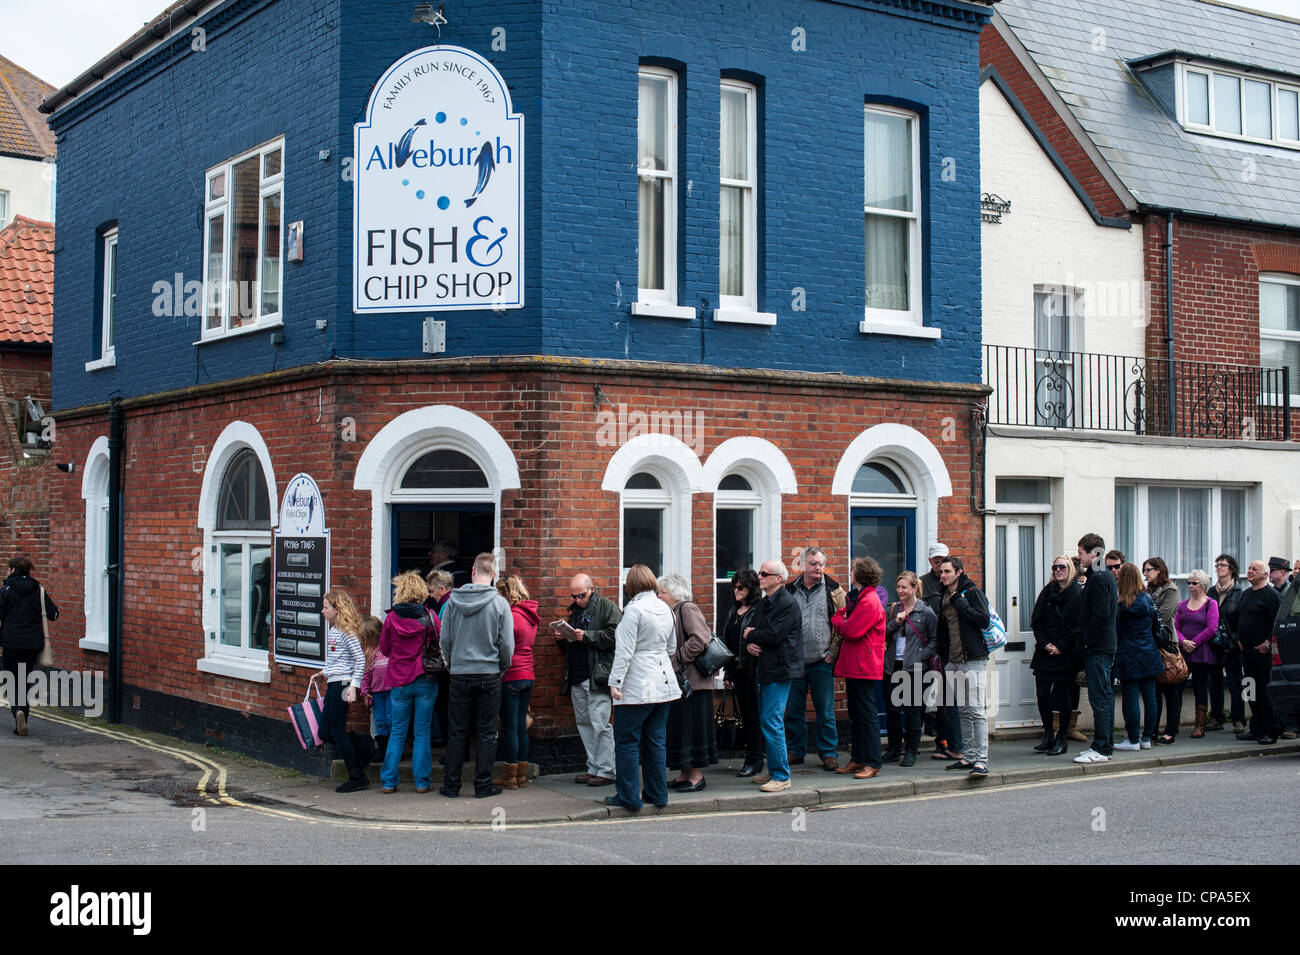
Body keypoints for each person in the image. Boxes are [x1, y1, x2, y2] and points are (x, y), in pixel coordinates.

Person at [438, 552, 514, 799]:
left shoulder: (451, 602)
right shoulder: (500, 603)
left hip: (460, 673)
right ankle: (483, 785)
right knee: (486, 733)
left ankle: (451, 786)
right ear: (493, 576)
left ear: (472, 571)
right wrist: (501, 667)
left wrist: (452, 664)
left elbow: (445, 640)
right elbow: (507, 645)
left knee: (457, 732)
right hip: (489, 673)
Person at [606, 564, 681, 811]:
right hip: (664, 683)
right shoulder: (666, 609)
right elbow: (671, 648)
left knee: (627, 741)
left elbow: (624, 652)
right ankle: (657, 794)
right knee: (656, 741)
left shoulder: (633, 610)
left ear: (630, 586)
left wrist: (615, 683)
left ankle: (629, 797)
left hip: (637, 685)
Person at [743, 559, 804, 792]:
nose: (759, 577)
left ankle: (781, 776)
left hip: (780, 669)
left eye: (764, 574)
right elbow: (755, 634)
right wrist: (750, 642)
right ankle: (774, 769)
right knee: (767, 720)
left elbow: (774, 635)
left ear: (779, 578)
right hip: (765, 667)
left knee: (772, 720)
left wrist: (752, 636)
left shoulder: (787, 603)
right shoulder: (765, 603)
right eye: (760, 573)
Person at [783, 547, 846, 770]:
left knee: (826, 711)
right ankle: (795, 750)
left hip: (822, 662)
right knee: (793, 710)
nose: (817, 568)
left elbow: (842, 625)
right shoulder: (789, 590)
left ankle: (828, 753)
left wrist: (832, 653)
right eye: (813, 564)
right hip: (795, 662)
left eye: (820, 563)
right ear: (802, 565)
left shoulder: (834, 591)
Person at [379, 572, 441, 794]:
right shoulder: (431, 617)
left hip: (399, 680)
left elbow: (384, 650)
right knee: (422, 732)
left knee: (397, 731)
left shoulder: (391, 619)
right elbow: (441, 643)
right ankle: (422, 782)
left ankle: (388, 782)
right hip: (425, 678)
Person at [558, 573, 621, 786]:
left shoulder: (607, 607)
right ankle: (594, 767)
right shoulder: (575, 611)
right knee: (584, 723)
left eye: (581, 596)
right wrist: (563, 637)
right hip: (577, 676)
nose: (577, 600)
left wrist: (587, 636)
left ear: (591, 589)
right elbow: (575, 641)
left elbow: (615, 636)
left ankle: (607, 770)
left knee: (600, 723)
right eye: (574, 596)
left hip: (597, 675)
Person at [659, 574, 717, 792]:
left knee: (691, 728)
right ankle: (685, 774)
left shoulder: (686, 608)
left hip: (694, 683)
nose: (659, 596)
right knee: (681, 728)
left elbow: (701, 638)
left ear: (674, 593)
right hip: (683, 683)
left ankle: (696, 776)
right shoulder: (673, 611)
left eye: (662, 592)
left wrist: (677, 659)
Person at [936, 555, 992, 777]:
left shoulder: (971, 592)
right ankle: (968, 757)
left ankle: (982, 761)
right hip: (954, 660)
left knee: (977, 711)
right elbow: (946, 629)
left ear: (959, 572)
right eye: (941, 572)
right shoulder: (945, 594)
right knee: (963, 711)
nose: (943, 575)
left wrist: (960, 602)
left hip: (974, 659)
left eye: (947, 572)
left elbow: (983, 619)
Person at [829, 564, 886, 779]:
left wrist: (840, 621)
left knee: (867, 716)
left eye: (853, 570)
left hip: (864, 665)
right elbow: (841, 615)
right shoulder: (858, 598)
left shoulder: (869, 601)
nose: (850, 572)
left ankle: (872, 762)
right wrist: (841, 620)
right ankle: (858, 758)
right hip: (855, 664)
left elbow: (850, 630)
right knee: (857, 714)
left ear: (860, 575)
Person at [881, 570, 937, 767]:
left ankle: (911, 750)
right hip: (892, 666)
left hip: (914, 669)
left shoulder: (926, 612)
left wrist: (920, 656)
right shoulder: (893, 609)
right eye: (898, 587)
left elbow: (934, 641)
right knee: (893, 711)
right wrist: (896, 623)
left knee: (913, 711)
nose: (900, 590)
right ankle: (894, 749)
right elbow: (883, 634)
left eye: (904, 587)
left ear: (914, 588)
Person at [318, 590, 372, 793]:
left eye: (326, 607)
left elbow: (360, 660)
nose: (322, 611)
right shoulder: (334, 630)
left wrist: (353, 686)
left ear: (337, 609)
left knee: (338, 732)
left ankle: (357, 776)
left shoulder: (347, 632)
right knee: (325, 732)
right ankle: (364, 746)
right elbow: (338, 661)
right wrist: (323, 673)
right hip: (333, 683)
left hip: (342, 686)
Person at [1073, 533, 1119, 764]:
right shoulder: (1100, 576)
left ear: (1093, 553)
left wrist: (1087, 642)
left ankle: (1102, 748)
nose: (1079, 556)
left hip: (1099, 648)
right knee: (1104, 697)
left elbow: (1100, 616)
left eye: (1081, 552)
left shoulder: (1100, 578)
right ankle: (1102, 745)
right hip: (1102, 646)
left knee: (1100, 698)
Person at [0, 556, 58, 736]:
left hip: (11, 643)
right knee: (24, 681)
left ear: (12, 570)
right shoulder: (38, 590)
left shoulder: (6, 590)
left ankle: (17, 710)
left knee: (10, 680)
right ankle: (23, 715)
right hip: (33, 644)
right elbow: (54, 614)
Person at [1030, 555, 1081, 755]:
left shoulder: (1076, 593)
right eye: (1055, 567)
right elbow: (1036, 620)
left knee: (1062, 696)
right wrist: (1045, 644)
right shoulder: (1048, 591)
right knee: (1042, 694)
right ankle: (1048, 734)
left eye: (1063, 567)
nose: (1058, 570)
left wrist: (1061, 646)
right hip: (1045, 651)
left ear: (1070, 569)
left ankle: (1062, 738)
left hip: (1065, 653)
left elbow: (1078, 625)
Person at [1113, 564, 1163, 751]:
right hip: (1148, 651)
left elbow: (1118, 631)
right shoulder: (1148, 599)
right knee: (1150, 698)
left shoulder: (1122, 604)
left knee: (1131, 698)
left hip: (1128, 653)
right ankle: (1147, 738)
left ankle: (1133, 739)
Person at [496, 574, 538, 789]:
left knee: (510, 728)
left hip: (512, 674)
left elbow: (502, 644)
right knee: (521, 727)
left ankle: (509, 777)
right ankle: (521, 774)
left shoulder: (510, 615)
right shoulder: (529, 614)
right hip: (528, 674)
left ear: (505, 594)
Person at [1232, 560, 1281, 744]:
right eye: (1249, 568)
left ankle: (1269, 730)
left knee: (1264, 692)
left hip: (1263, 653)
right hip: (1247, 653)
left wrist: (1268, 642)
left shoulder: (1271, 595)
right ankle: (1256, 728)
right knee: (1250, 690)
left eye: (1254, 569)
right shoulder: (1245, 595)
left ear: (1265, 574)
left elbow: (1277, 622)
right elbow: (1239, 619)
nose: (1250, 571)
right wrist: (1238, 638)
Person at [721, 569, 764, 777]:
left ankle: (755, 760)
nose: (736, 591)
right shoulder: (733, 610)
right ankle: (752, 757)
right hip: (737, 670)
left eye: (741, 587)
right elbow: (728, 643)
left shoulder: (759, 610)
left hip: (753, 670)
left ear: (751, 588)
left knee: (754, 716)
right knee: (746, 716)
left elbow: (765, 638)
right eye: (734, 587)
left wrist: (751, 643)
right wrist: (728, 674)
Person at [922, 543, 962, 759]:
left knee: (949, 699)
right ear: (930, 562)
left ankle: (951, 744)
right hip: (931, 649)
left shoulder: (958, 584)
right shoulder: (924, 583)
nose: (940, 566)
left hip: (952, 650)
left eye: (943, 560)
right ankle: (942, 742)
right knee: (929, 698)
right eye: (936, 561)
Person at [1144, 558, 1185, 744]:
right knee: (1155, 691)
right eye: (1144, 570)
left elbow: (1163, 614)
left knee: (1170, 689)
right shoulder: (1149, 589)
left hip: (1166, 643)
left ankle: (1170, 731)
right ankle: (1152, 730)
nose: (1145, 574)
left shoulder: (1171, 590)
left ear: (1159, 570)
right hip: (1151, 645)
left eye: (1148, 570)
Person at [1175, 569, 1220, 739]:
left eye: (1195, 583)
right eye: (1189, 583)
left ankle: (1200, 725)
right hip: (1184, 653)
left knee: (1200, 688)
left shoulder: (1211, 604)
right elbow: (1176, 627)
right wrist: (1183, 641)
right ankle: (1174, 723)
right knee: (1176, 687)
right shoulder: (1182, 605)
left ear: (1204, 586)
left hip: (1202, 653)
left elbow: (1212, 628)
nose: (1191, 586)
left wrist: (1195, 643)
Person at [1207, 555, 1243, 733]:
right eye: (1217, 565)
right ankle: (1217, 717)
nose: (1219, 567)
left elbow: (1243, 619)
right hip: (1215, 644)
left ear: (1231, 569)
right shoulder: (1212, 592)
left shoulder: (1239, 592)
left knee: (1236, 683)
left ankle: (1238, 719)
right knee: (1215, 683)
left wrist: (1236, 639)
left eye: (1223, 565)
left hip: (1233, 645)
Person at [358, 615, 391, 765]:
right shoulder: (368, 654)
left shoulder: (388, 649)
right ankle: (382, 750)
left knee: (392, 719)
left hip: (391, 691)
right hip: (376, 693)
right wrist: (365, 692)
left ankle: (393, 750)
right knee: (380, 721)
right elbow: (365, 676)